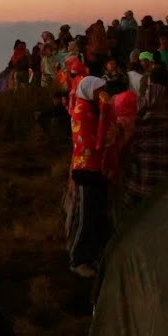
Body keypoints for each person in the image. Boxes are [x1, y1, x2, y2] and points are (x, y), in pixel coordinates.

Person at [67, 70, 109, 278]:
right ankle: (76, 259)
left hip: (92, 168)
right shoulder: (82, 111)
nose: (102, 93)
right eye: (98, 90)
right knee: (84, 216)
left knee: (92, 214)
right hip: (85, 169)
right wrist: (104, 116)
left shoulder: (89, 109)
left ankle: (88, 254)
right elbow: (92, 143)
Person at [123, 85, 168, 209]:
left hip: (143, 180)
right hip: (167, 179)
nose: (145, 99)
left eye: (147, 96)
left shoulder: (143, 122)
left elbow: (133, 151)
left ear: (152, 99)